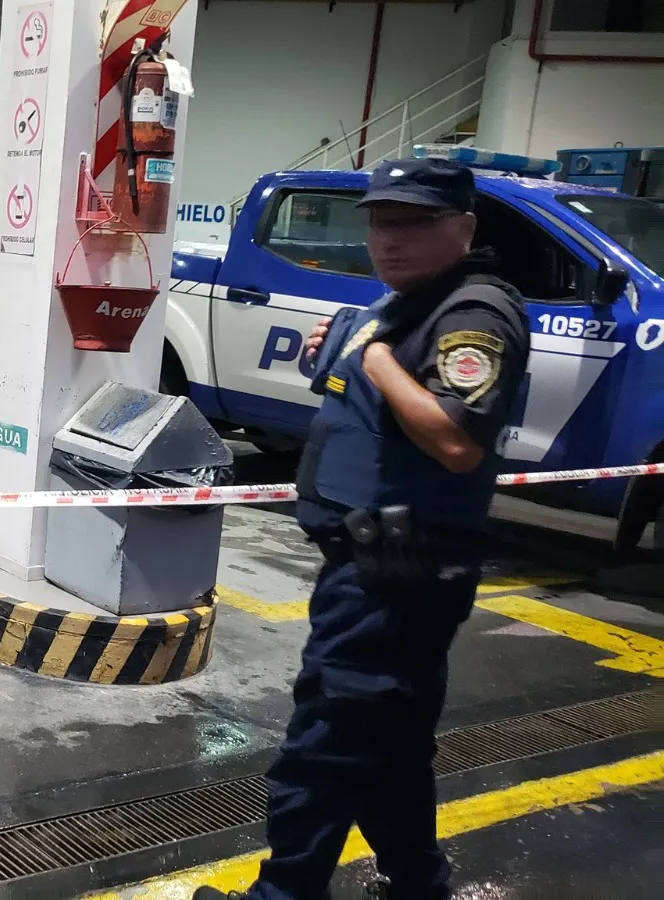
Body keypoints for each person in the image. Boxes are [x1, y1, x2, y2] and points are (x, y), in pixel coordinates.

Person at [195, 158, 531, 900]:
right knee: (390, 741)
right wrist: (344, 349)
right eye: (382, 221)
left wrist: (372, 355)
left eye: (416, 223)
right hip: (381, 559)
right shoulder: (408, 303)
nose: (392, 239)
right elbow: (370, 392)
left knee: (327, 741)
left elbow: (454, 437)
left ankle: (282, 895)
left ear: (464, 228)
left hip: (395, 568)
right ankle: (418, 882)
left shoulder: (475, 314)